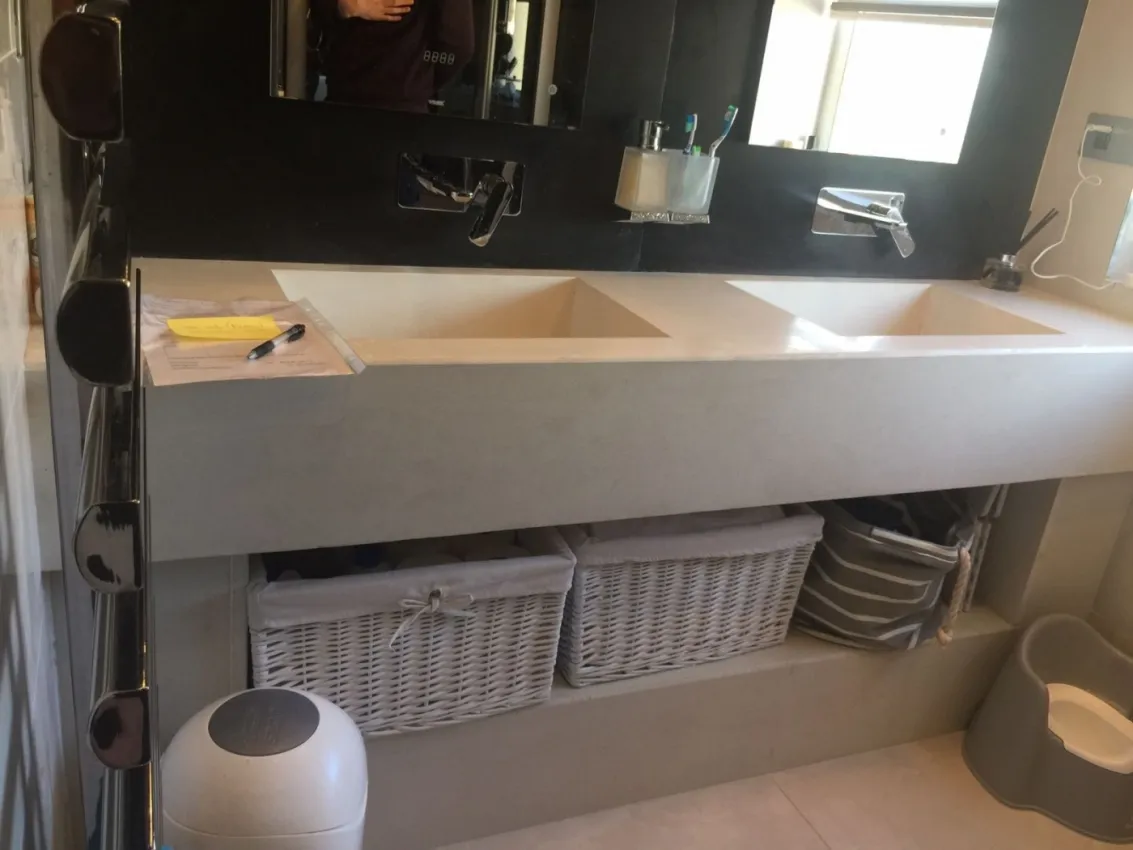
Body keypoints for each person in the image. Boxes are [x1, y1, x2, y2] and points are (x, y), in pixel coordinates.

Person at [312, 0, 476, 112]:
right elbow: (459, 43)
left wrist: (342, 5)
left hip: (342, 98)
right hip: (404, 106)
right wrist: (419, 82)